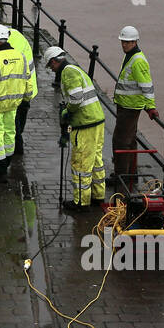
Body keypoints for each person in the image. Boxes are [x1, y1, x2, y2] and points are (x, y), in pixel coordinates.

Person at [42, 46, 105, 212]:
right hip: (96, 120)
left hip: (85, 124)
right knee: (96, 161)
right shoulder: (75, 69)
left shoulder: (67, 73)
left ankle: (81, 202)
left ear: (55, 61)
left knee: (81, 164)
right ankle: (98, 196)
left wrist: (66, 111)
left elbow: (76, 99)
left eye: (50, 66)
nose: (51, 69)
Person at [0, 13, 36, 154]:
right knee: (11, 128)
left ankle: (6, 155)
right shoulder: (12, 35)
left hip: (13, 95)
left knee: (6, 129)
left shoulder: (3, 57)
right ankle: (11, 154)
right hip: (20, 95)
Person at [111, 25, 158, 186]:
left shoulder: (137, 60)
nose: (124, 45)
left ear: (135, 42)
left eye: (128, 42)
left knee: (121, 141)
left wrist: (150, 106)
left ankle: (121, 177)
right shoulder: (131, 56)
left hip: (130, 107)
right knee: (129, 141)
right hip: (126, 105)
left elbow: (147, 85)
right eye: (123, 42)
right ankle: (131, 175)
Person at [0, 23, 32, 182]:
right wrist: (26, 98)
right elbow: (28, 82)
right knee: (10, 133)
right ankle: (5, 164)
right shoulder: (21, 56)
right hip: (14, 105)